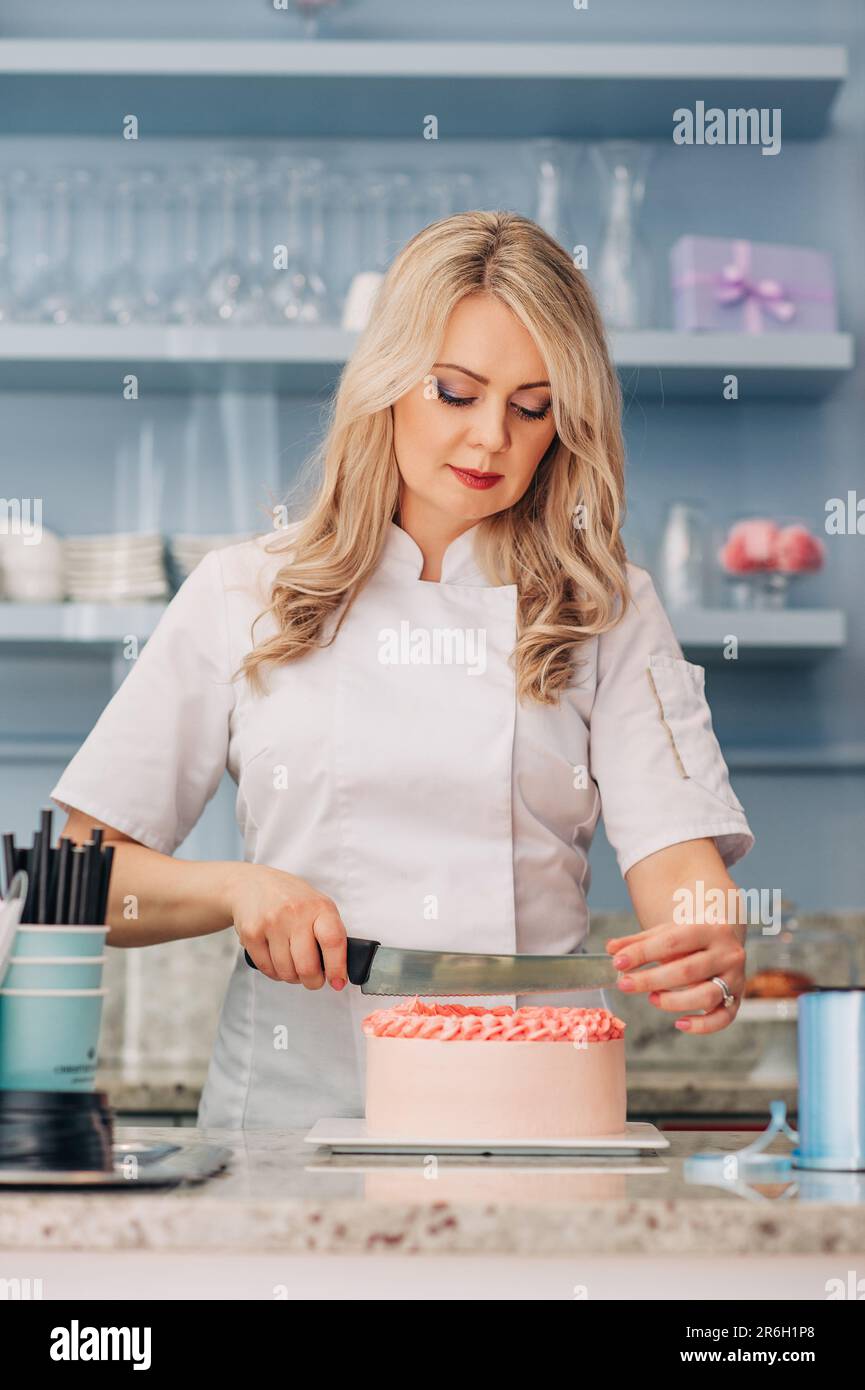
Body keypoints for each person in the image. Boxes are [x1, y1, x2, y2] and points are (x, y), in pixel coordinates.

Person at [52, 211, 754, 1128]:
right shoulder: (243, 591)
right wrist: (236, 889)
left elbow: (677, 859)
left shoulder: (604, 606)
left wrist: (704, 938)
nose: (490, 438)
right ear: (386, 380)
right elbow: (83, 882)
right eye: (455, 393)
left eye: (531, 407)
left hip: (536, 1113)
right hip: (295, 1123)